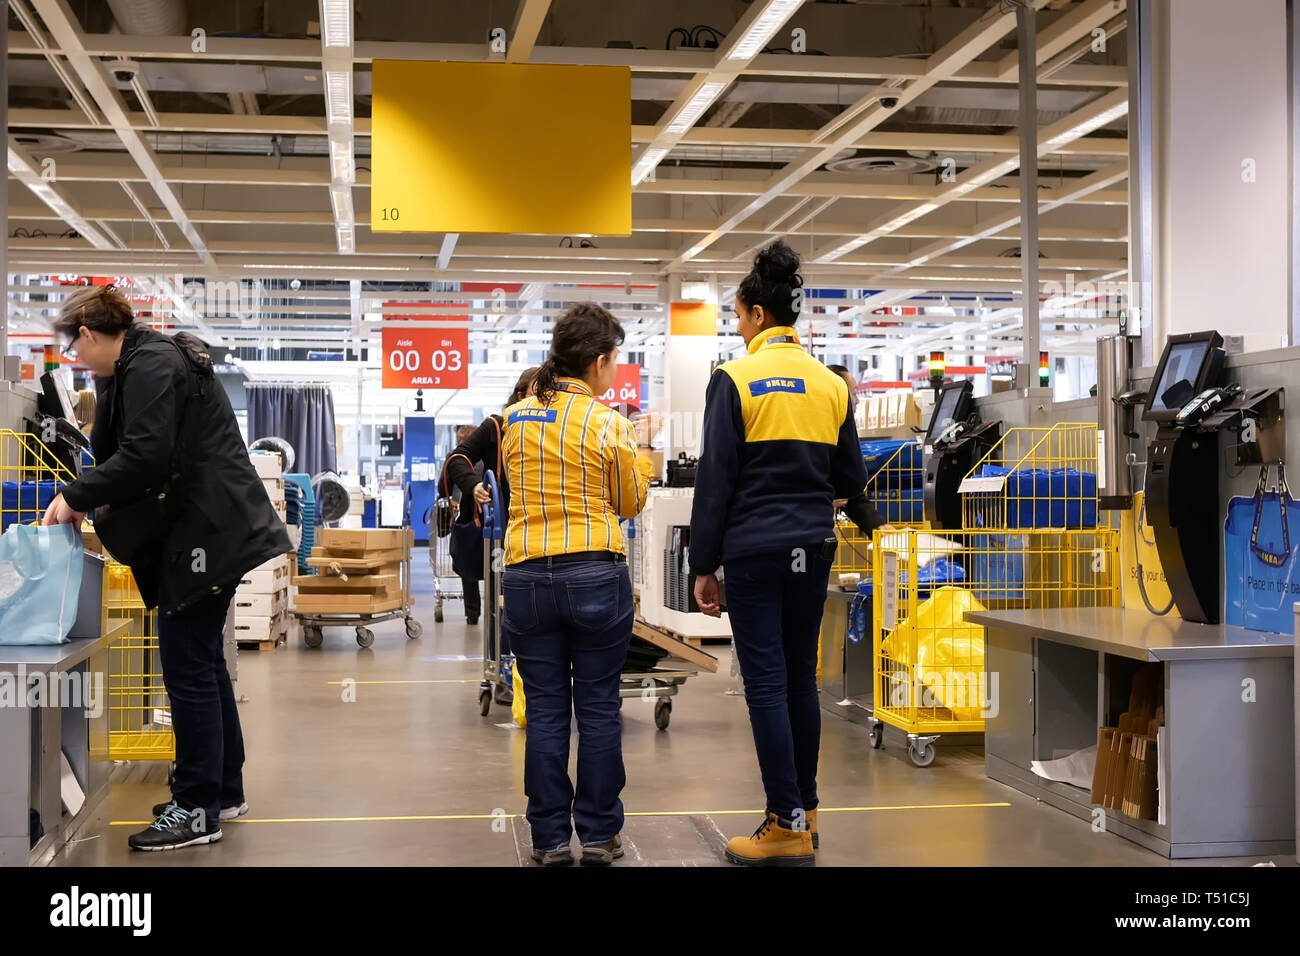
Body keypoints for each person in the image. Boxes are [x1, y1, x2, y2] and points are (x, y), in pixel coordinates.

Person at [43, 284, 291, 852]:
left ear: (88, 334)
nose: (78, 361)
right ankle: (222, 791)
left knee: (187, 669)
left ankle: (199, 809)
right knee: (201, 663)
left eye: (77, 349)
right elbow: (128, 450)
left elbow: (146, 454)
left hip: (208, 533)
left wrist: (76, 496)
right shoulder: (139, 365)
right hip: (213, 529)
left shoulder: (150, 363)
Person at [689, 240, 868, 866]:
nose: (737, 330)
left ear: (759, 316)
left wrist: (702, 566)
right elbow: (849, 480)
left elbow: (716, 481)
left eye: (738, 317)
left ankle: (783, 823)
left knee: (764, 683)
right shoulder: (830, 384)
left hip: (756, 553)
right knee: (800, 678)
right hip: (813, 548)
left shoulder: (733, 380)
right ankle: (807, 811)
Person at [500, 303, 655, 867]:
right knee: (595, 708)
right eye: (614, 360)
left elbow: (513, 486)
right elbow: (629, 501)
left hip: (527, 575)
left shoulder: (516, 418)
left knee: (544, 710)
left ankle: (546, 840)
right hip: (594, 573)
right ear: (598, 361)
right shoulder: (611, 424)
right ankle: (597, 835)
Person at [444, 371, 537, 647]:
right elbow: (457, 458)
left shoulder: (554, 430)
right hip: (503, 534)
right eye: (537, 390)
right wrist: (473, 485)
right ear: (520, 395)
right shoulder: (496, 427)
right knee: (503, 600)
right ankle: (504, 661)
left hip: (541, 534)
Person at [826, 363, 895, 537]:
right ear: (837, 394)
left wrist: (877, 525)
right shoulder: (813, 434)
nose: (857, 400)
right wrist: (820, 502)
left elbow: (850, 494)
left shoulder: (838, 432)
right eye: (854, 393)